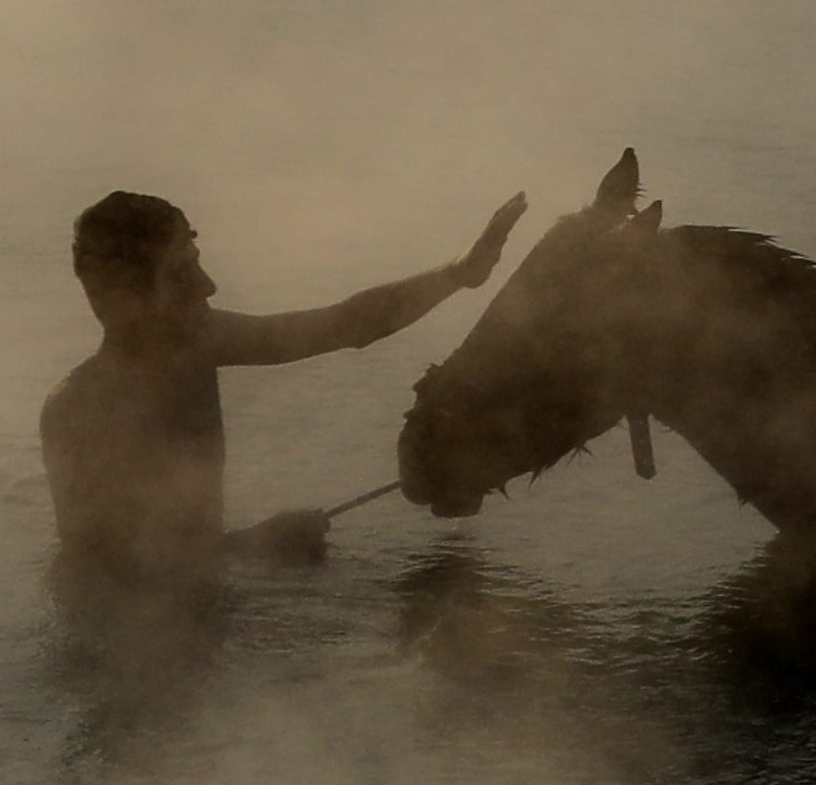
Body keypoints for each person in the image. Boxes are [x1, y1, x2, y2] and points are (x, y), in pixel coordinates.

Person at [40, 185, 523, 581]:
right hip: (129, 647)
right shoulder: (79, 412)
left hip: (202, 609)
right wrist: (255, 544)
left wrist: (459, 274)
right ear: (126, 298)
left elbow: (345, 325)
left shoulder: (196, 342)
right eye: (183, 274)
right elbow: (100, 577)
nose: (209, 285)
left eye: (198, 263)